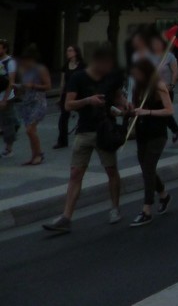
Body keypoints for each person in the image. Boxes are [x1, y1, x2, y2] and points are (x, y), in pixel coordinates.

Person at [42, 44, 127, 233]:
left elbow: (118, 97)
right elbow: (68, 105)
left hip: (105, 130)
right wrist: (88, 100)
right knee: (75, 173)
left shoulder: (111, 77)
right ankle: (66, 217)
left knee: (111, 169)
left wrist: (125, 105)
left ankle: (114, 208)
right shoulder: (78, 77)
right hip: (84, 130)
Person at [127, 59, 173, 226]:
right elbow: (136, 109)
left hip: (157, 133)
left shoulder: (158, 86)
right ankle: (164, 195)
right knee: (148, 169)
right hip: (142, 132)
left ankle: (147, 209)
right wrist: (128, 110)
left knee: (148, 169)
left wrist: (147, 112)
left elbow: (169, 110)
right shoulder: (137, 87)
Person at [15, 45, 51, 165]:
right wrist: (18, 88)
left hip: (38, 102)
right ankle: (34, 155)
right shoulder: (24, 71)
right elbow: (24, 86)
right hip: (27, 102)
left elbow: (48, 86)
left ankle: (39, 154)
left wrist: (33, 86)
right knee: (30, 131)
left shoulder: (40, 69)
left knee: (30, 130)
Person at [147, 33, 178, 142]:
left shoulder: (169, 56)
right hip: (153, 90)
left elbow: (175, 72)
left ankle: (173, 129)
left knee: (164, 112)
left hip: (166, 89)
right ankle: (159, 133)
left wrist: (172, 85)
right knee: (154, 112)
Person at [54, 44, 86, 149]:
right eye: (67, 51)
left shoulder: (82, 65)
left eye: (70, 50)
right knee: (63, 117)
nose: (68, 53)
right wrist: (60, 96)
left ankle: (84, 136)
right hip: (67, 93)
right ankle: (62, 141)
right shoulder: (66, 65)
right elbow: (62, 82)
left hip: (79, 93)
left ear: (76, 52)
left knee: (84, 114)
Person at [0, 38, 17, 158]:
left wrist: (5, 99)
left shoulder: (10, 62)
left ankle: (9, 148)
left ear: (5, 49)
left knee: (7, 123)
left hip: (6, 97)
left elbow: (11, 82)